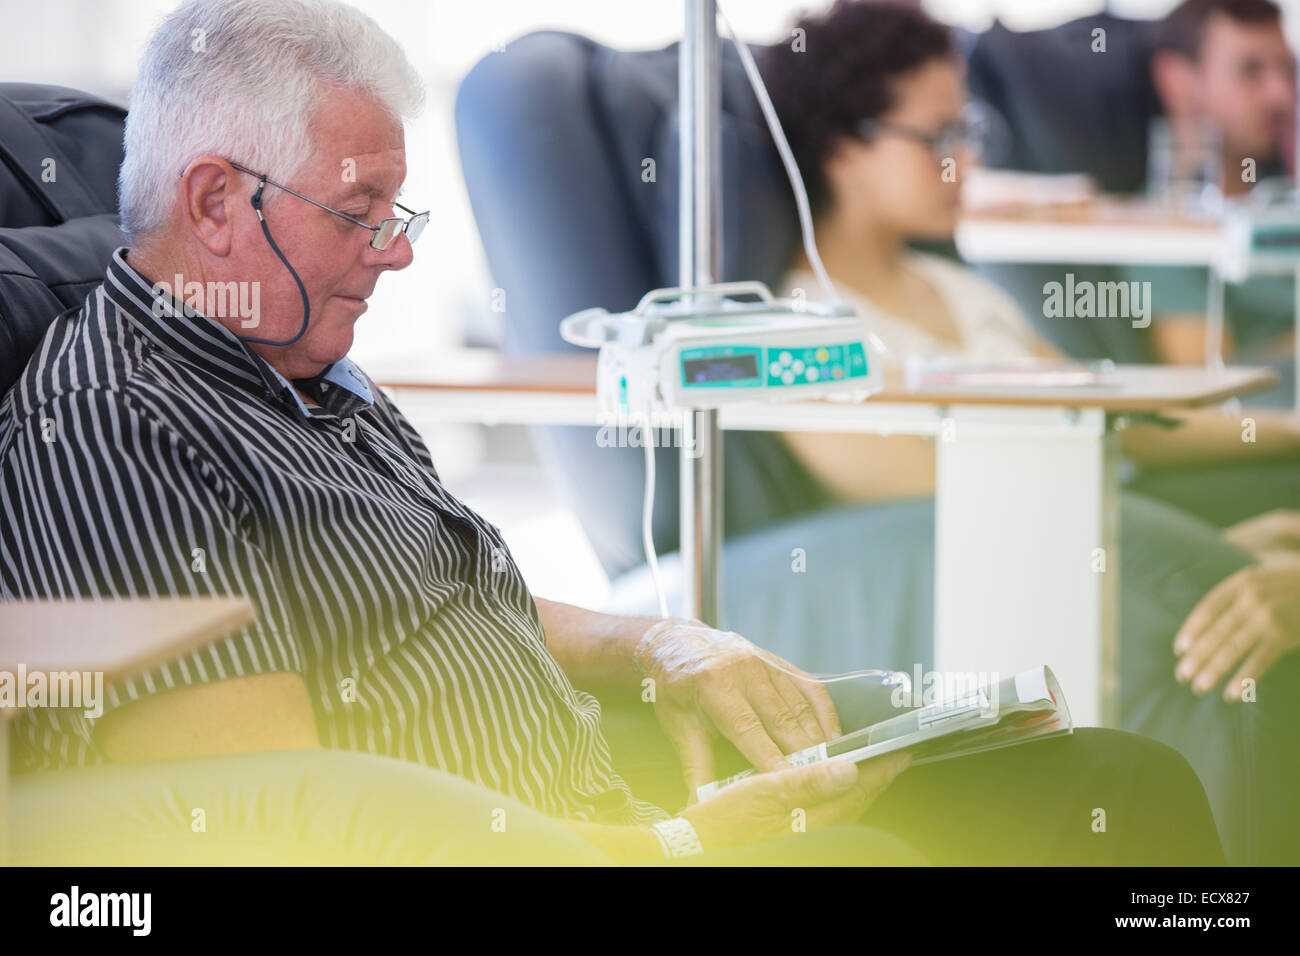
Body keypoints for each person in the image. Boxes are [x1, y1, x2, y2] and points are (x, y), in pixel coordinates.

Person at [0, 0, 1225, 866]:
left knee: (1113, 781)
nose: (401, 248)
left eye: (399, 206)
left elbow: (437, 590)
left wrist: (660, 646)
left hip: (615, 787)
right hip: (575, 844)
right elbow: (281, 821)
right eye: (359, 210)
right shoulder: (117, 428)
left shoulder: (311, 374)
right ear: (217, 200)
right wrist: (669, 843)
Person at [745, 0, 1300, 864]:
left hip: (1105, 512)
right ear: (844, 149)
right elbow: (940, 480)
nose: (964, 159)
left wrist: (1284, 432)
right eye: (936, 137)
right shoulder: (802, 332)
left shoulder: (958, 289)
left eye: (969, 128)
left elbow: (1117, 424)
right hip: (1009, 549)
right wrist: (1198, 539)